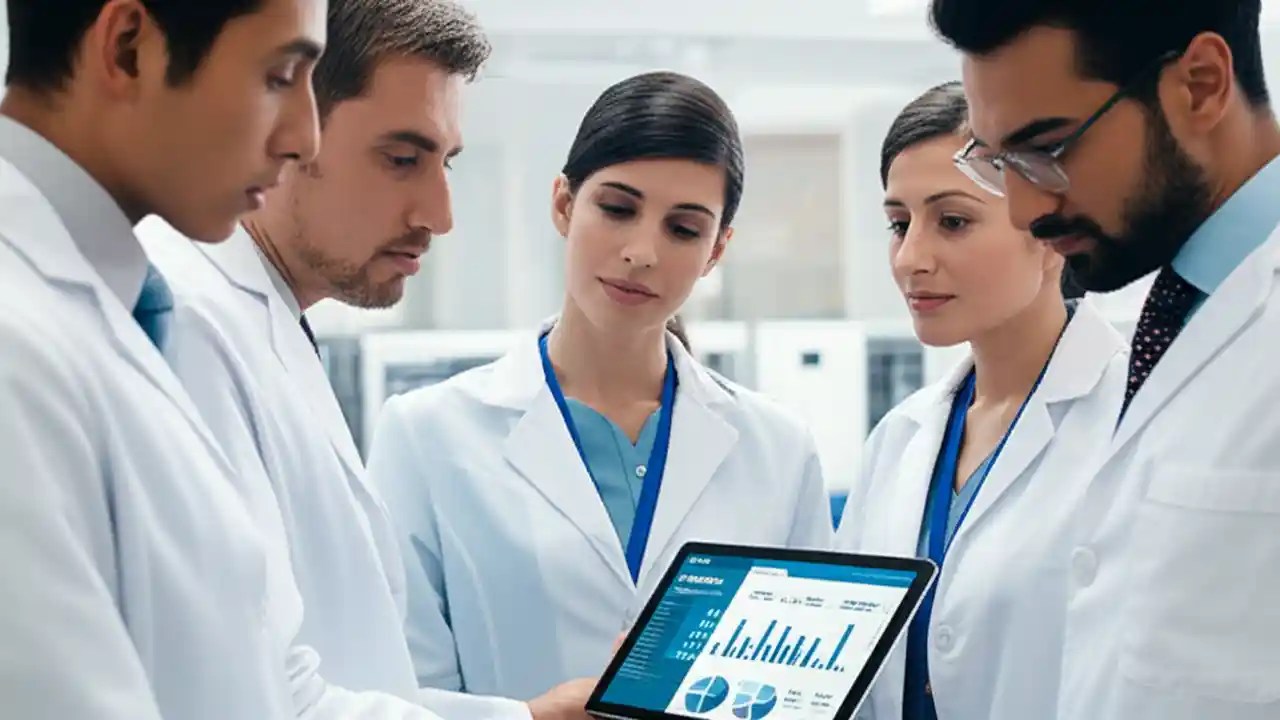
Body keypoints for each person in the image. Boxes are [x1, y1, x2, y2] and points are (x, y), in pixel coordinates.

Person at [138, 0, 596, 718]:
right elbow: (262, 698)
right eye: (402, 159)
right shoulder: (189, 325)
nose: (439, 214)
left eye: (444, 163)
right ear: (285, 124)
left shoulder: (270, 319)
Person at [364, 70, 836, 701]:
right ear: (563, 203)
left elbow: (813, 695)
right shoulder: (426, 436)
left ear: (717, 249)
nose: (642, 251)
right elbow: (391, 696)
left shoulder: (778, 451)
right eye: (617, 209)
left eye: (684, 229)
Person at [929, 1, 1280, 718]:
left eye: (1048, 150)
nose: (1026, 209)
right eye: (999, 164)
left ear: (1202, 85)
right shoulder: (1172, 314)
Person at [0, 0, 326, 718]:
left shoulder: (125, 311)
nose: (305, 138)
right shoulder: (17, 346)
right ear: (127, 48)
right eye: (279, 76)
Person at [835, 81, 1128, 720]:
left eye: (954, 221)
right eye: (898, 223)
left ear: (1051, 231)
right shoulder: (899, 439)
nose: (912, 258)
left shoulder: (1133, 420)